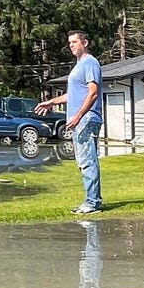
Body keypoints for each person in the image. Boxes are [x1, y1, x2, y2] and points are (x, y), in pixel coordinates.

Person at [38, 30, 104, 214]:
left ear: (85, 42)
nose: (72, 45)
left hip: (87, 119)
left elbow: (93, 92)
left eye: (75, 42)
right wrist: (52, 102)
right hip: (81, 120)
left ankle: (92, 203)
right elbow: (74, 94)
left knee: (87, 161)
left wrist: (78, 115)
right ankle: (92, 200)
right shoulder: (78, 66)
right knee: (84, 161)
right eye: (69, 43)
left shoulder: (90, 63)